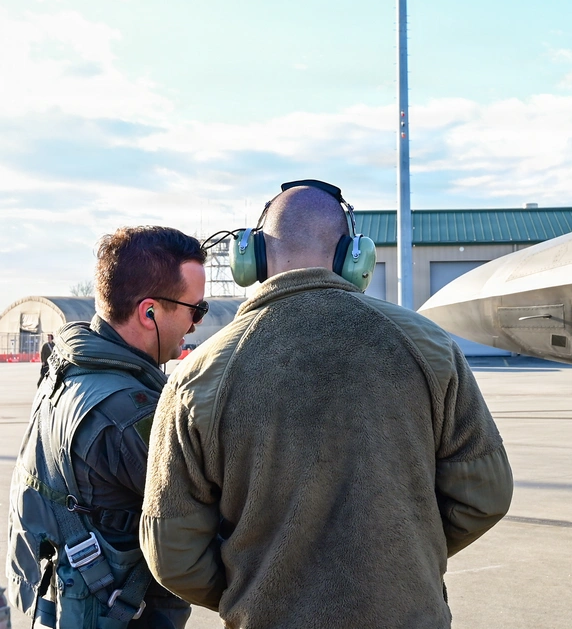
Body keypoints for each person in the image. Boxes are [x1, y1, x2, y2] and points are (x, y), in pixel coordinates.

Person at [140, 182, 514, 629]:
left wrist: (258, 586)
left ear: (252, 258)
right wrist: (401, 561)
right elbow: (485, 497)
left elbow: (173, 554)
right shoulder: (429, 347)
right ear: (353, 257)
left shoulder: (195, 377)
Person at [7, 226, 206, 629]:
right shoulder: (126, 413)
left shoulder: (70, 363)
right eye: (194, 310)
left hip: (62, 602)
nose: (195, 326)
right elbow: (208, 518)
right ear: (148, 312)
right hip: (113, 614)